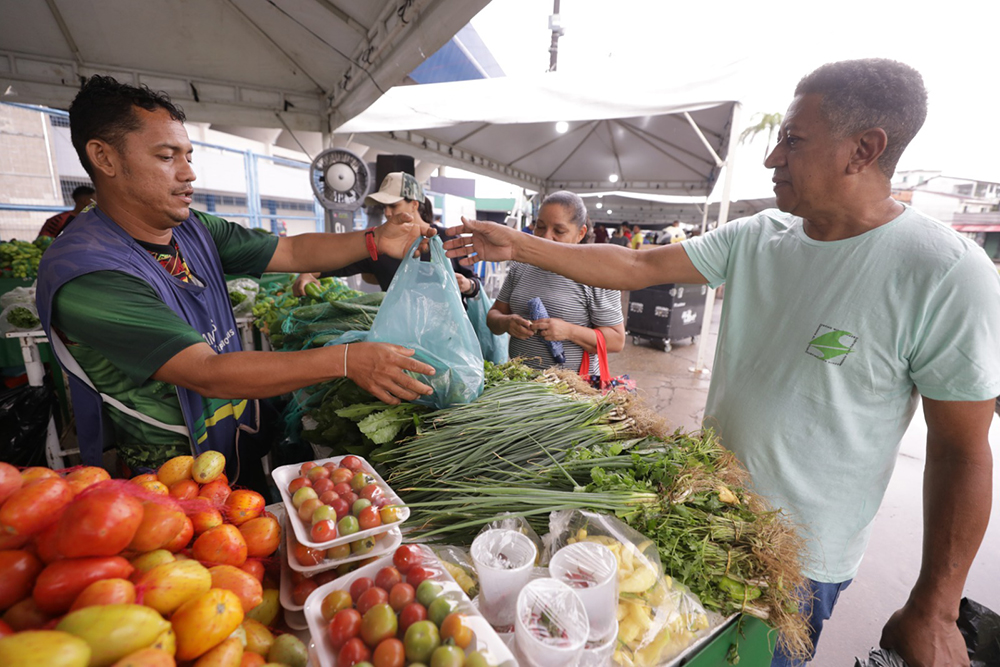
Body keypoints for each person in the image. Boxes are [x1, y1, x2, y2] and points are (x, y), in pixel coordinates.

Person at [445, 59, 1000, 667]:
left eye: (793, 140)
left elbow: (961, 450)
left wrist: (935, 606)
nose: (772, 159)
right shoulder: (760, 234)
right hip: (702, 509)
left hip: (800, 563)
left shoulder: (944, 273)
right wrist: (521, 243)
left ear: (863, 150)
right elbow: (637, 268)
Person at [35, 76, 437, 479]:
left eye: (188, 155)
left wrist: (377, 239)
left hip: (232, 437)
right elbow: (205, 371)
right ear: (104, 158)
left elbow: (292, 251)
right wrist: (347, 358)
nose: (189, 173)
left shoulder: (192, 229)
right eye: (166, 157)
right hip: (170, 475)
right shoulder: (88, 271)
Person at [486, 190, 625, 373]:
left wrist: (569, 331)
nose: (546, 237)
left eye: (559, 231)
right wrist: (506, 322)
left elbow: (616, 340)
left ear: (580, 233)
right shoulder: (522, 265)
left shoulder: (596, 274)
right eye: (540, 226)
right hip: (520, 386)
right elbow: (493, 316)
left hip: (571, 393)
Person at [292, 172, 480, 300]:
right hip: (399, 338)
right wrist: (307, 273)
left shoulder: (446, 238)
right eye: (384, 207)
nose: (388, 213)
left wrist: (467, 285)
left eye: (393, 205)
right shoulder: (380, 243)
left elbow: (474, 283)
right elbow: (339, 263)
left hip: (450, 338)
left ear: (414, 204)